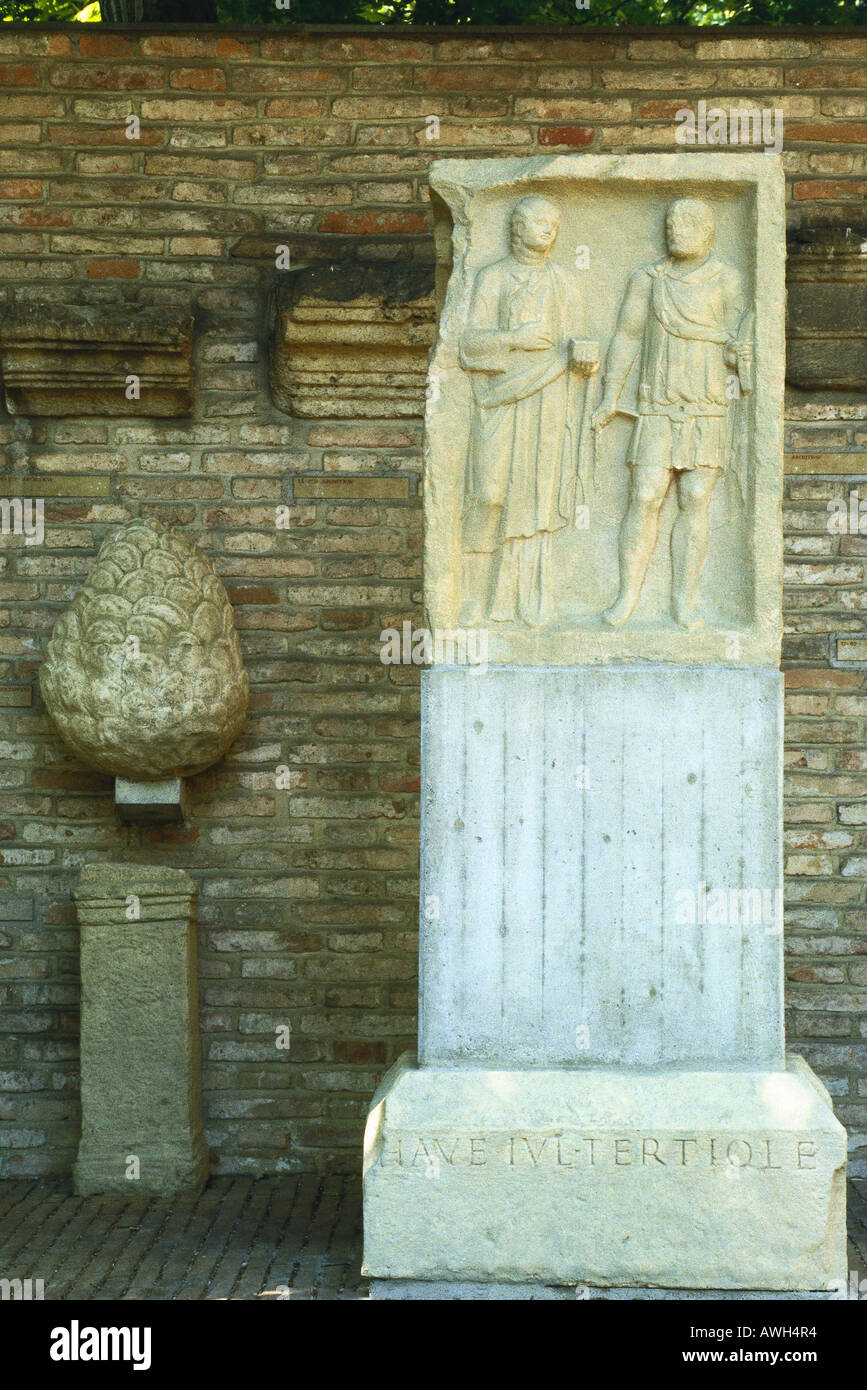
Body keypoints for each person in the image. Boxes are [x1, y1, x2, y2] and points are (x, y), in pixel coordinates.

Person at [593, 197, 752, 631]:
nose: (675, 229)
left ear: (708, 231)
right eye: (671, 222)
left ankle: (685, 600)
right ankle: (628, 595)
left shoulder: (727, 280)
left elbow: (742, 346)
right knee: (644, 497)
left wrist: (741, 354)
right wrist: (609, 396)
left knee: (695, 499)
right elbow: (626, 336)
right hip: (658, 403)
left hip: (708, 404)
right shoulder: (648, 278)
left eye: (687, 223)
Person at [459, 194, 598, 627]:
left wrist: (584, 355)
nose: (549, 228)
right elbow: (467, 344)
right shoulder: (492, 277)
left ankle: (533, 599)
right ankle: (471, 591)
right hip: (499, 397)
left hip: (550, 397)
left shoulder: (565, 282)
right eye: (539, 220)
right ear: (516, 228)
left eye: (554, 222)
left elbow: (580, 344)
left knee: (538, 495)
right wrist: (514, 337)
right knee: (490, 493)